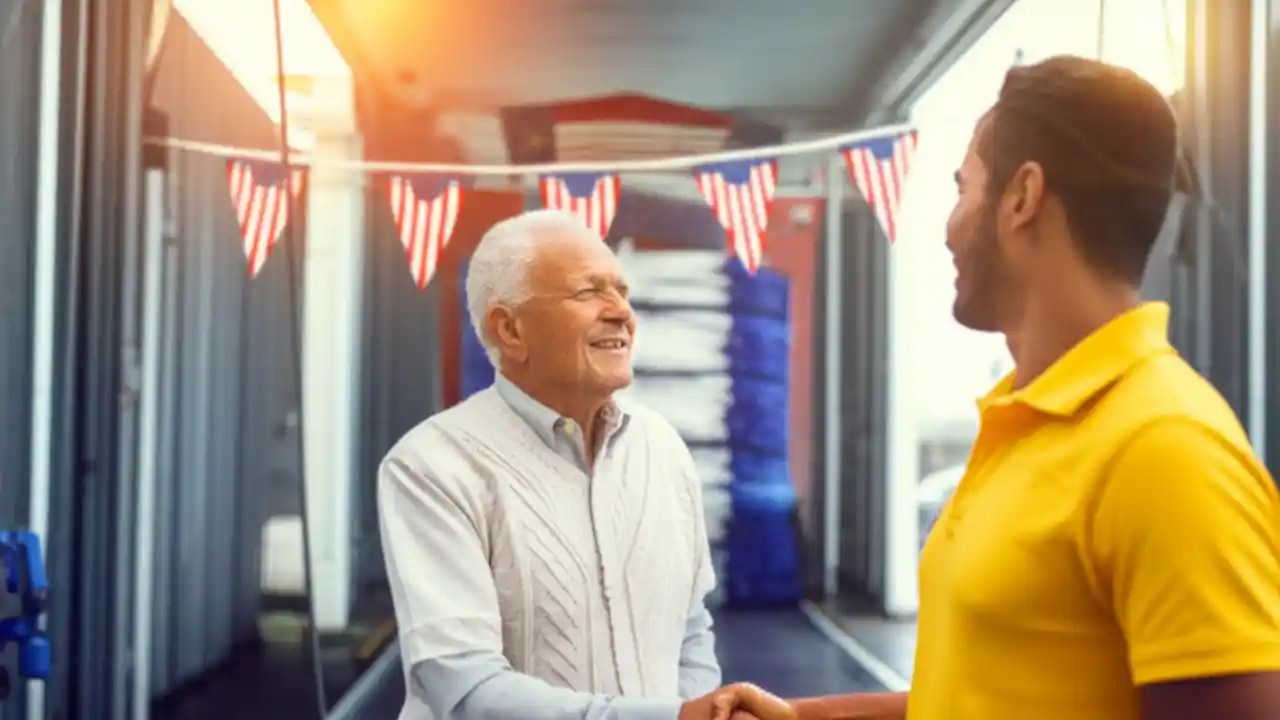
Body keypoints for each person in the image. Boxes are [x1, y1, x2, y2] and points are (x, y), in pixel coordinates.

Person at [714, 54, 1280, 720]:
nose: (949, 227)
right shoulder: (1030, 423)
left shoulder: (1163, 449)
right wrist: (805, 717)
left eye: (963, 188)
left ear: (1022, 196)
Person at [378, 209, 775, 720]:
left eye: (623, 291)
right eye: (588, 293)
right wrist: (671, 719)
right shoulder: (433, 466)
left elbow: (690, 629)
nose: (621, 312)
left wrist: (700, 710)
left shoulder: (663, 449)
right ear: (510, 330)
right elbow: (465, 686)